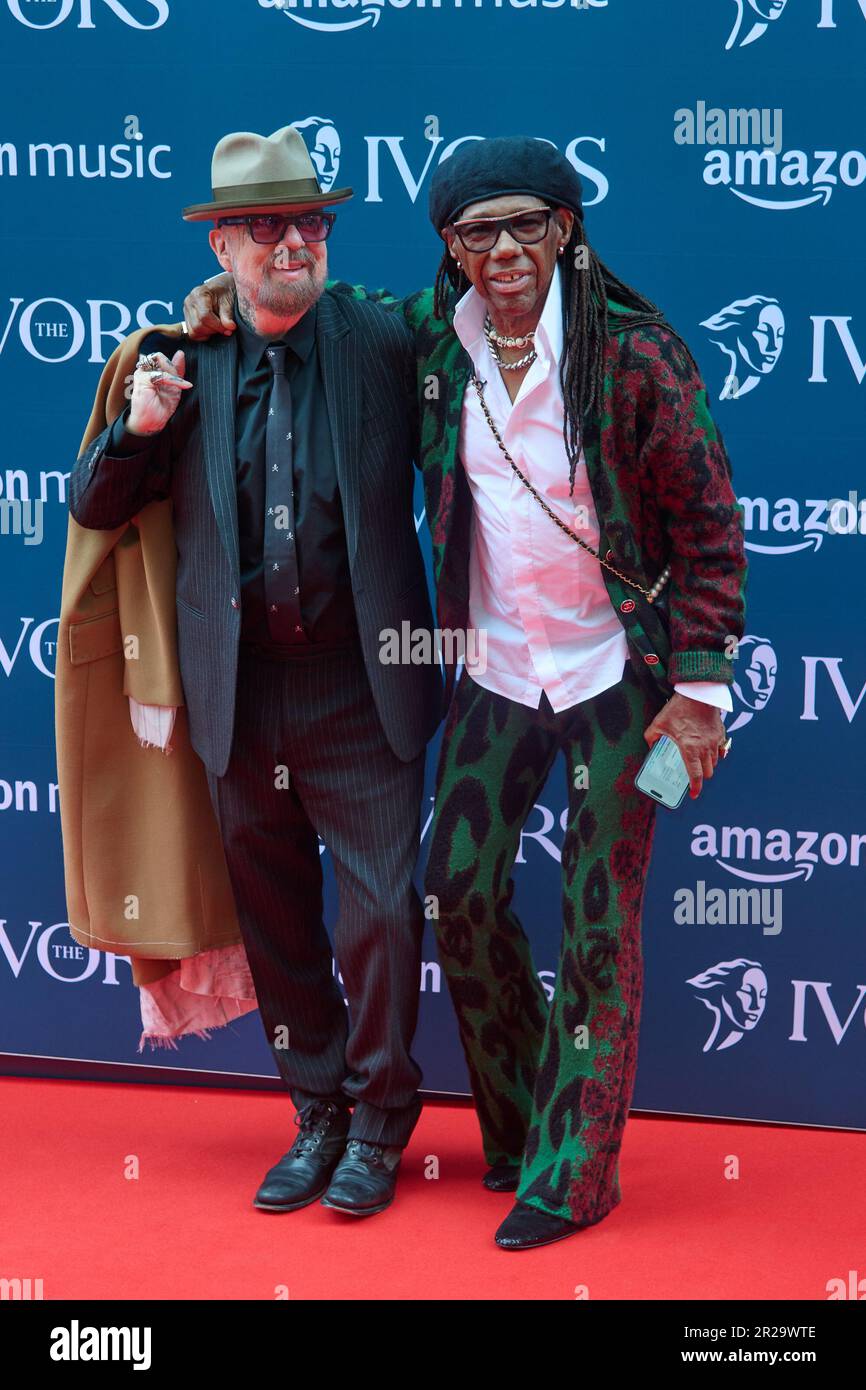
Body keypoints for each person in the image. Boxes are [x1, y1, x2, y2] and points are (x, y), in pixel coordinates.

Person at [183, 135, 747, 1249]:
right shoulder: (430, 346)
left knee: (595, 920)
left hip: (615, 680)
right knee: (459, 893)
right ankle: (523, 1123)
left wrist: (700, 692)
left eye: (525, 224)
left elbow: (710, 532)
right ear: (448, 247)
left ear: (566, 231)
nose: (502, 251)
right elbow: (312, 306)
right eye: (475, 231)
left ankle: (575, 1170)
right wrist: (224, 292)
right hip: (495, 669)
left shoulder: (637, 358)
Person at [68, 125, 442, 1219]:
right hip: (240, 693)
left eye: (311, 221)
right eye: (269, 225)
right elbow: (97, 506)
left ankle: (380, 1121)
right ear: (223, 243)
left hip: (359, 687)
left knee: (378, 916)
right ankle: (315, 1109)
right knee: (276, 921)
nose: (295, 241)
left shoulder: (380, 339)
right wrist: (137, 430)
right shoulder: (175, 358)